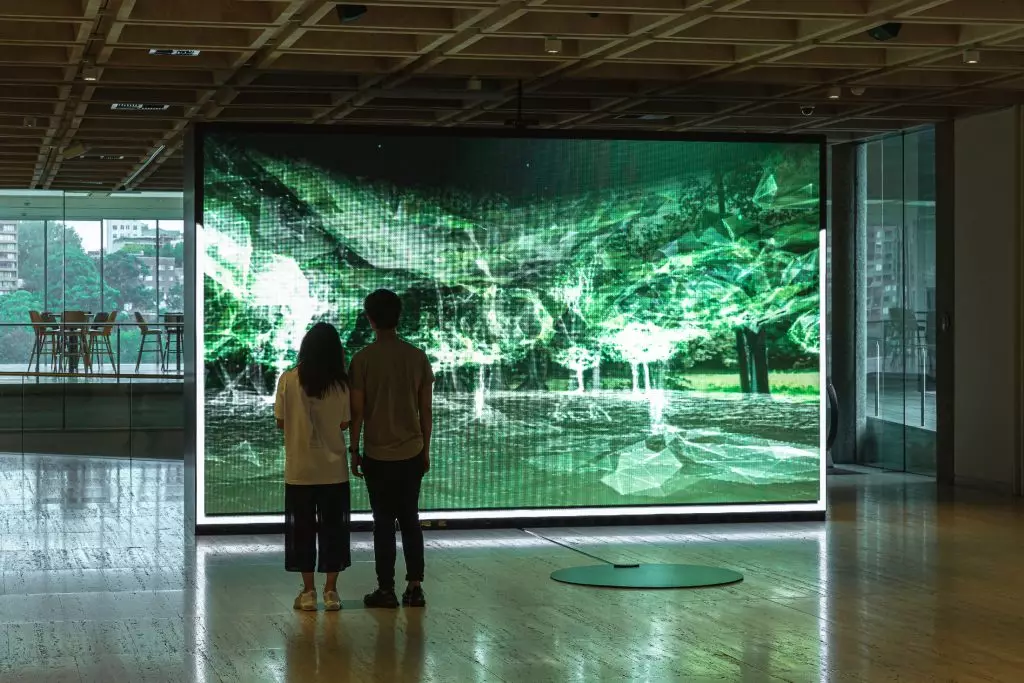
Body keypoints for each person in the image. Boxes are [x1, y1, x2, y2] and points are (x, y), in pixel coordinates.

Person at [349, 289, 433, 609]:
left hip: (377, 455)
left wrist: (354, 450)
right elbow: (425, 411)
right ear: (399, 317)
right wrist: (426, 449)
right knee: (410, 519)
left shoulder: (362, 360)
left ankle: (386, 590)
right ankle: (415, 588)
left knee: (382, 523)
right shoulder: (417, 358)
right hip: (411, 452)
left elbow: (357, 412)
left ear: (370, 320)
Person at [274, 322, 352, 612]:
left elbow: (280, 421)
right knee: (334, 530)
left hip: (299, 470)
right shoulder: (342, 384)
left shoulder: (288, 379)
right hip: (334, 470)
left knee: (301, 531)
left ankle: (308, 592)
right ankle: (331, 592)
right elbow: (345, 422)